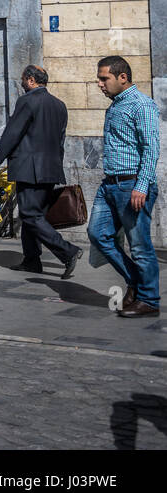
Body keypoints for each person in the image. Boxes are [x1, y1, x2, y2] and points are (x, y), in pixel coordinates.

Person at [0, 64, 81, 277]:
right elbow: (60, 141)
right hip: (50, 169)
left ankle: (68, 251)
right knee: (33, 214)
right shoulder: (60, 105)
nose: (22, 84)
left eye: (23, 80)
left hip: (29, 169)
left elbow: (14, 132)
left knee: (30, 215)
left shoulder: (27, 101)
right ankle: (31, 260)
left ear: (31, 80)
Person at [89, 56, 159, 318]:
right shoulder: (116, 105)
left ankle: (149, 300)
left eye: (104, 78)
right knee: (98, 235)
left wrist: (141, 186)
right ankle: (136, 282)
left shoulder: (142, 105)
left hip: (132, 186)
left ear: (122, 77)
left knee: (140, 246)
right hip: (110, 185)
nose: (99, 84)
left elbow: (151, 148)